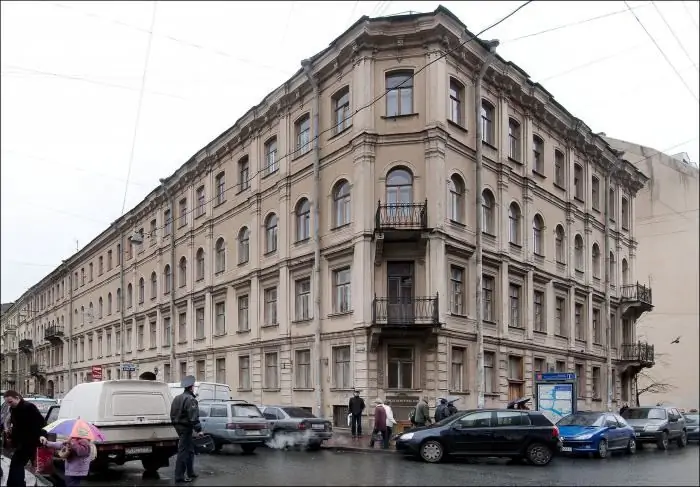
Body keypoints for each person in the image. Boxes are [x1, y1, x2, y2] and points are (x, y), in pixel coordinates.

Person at [3, 390, 46, 487]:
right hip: (21, 442)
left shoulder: (29, 407)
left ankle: (17, 484)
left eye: (10, 402)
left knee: (17, 464)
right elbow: (16, 424)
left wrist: (42, 435)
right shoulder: (13, 409)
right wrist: (10, 431)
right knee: (17, 464)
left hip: (30, 441)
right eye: (7, 403)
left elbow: (41, 422)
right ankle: (18, 483)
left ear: (17, 398)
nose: (9, 404)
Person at [170, 376, 203, 484]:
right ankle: (179, 476)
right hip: (186, 428)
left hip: (179, 427)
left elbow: (172, 415)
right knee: (183, 452)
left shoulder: (177, 398)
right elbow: (193, 416)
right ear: (191, 387)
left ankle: (190, 472)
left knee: (190, 450)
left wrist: (177, 425)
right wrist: (199, 430)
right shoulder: (190, 399)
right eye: (193, 386)